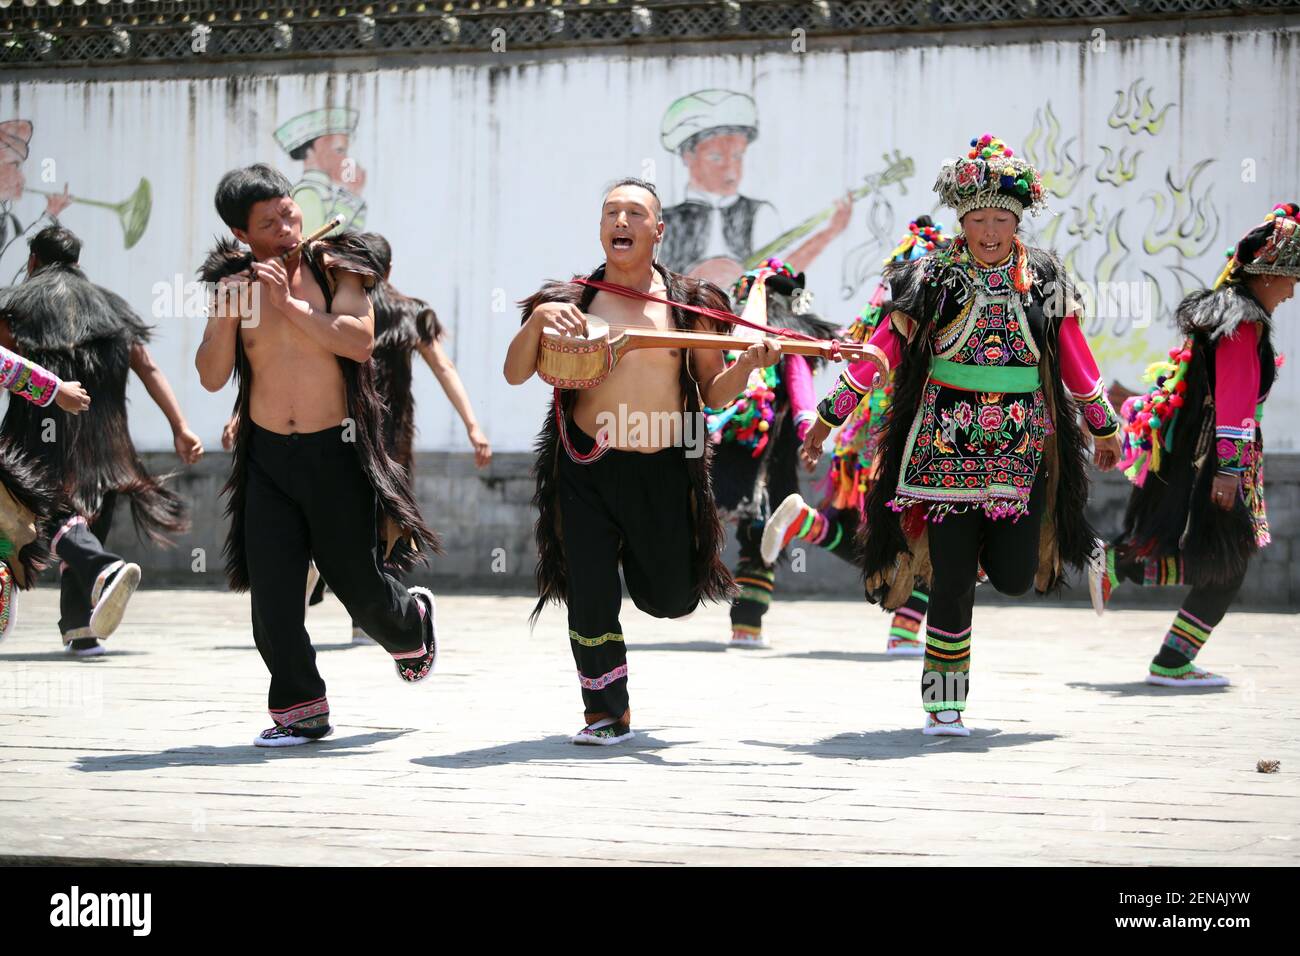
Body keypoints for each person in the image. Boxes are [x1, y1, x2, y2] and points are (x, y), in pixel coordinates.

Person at [803, 134, 1122, 736]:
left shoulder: (1047, 277)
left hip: (1019, 454)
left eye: (1003, 218)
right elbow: (883, 352)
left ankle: (1030, 547)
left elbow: (1075, 357)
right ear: (961, 218)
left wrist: (1104, 427)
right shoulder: (932, 276)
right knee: (951, 585)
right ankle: (944, 705)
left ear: (1018, 218)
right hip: (943, 452)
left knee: (1012, 576)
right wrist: (829, 416)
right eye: (979, 218)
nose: (991, 231)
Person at [503, 176, 780, 745]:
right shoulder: (569, 301)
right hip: (586, 467)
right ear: (601, 227)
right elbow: (514, 372)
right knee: (591, 593)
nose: (621, 222)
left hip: (662, 466)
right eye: (611, 212)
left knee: (671, 598)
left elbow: (715, 392)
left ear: (660, 229)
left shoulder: (689, 305)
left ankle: (653, 581)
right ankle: (606, 712)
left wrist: (749, 364)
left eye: (635, 213)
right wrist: (534, 324)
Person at [195, 164, 438, 747]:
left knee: (358, 583)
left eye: (288, 212)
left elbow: (357, 342)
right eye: (269, 222)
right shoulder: (233, 283)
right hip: (267, 457)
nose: (286, 226)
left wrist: (288, 305)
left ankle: (411, 624)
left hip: (338, 451)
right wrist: (227, 312)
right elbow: (210, 376)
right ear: (241, 234)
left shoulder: (339, 265)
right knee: (274, 595)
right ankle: (301, 708)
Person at [1096, 202, 1299, 687]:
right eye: (1291, 277)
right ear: (1266, 273)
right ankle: (1167, 655)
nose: (1293, 290)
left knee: (1220, 563)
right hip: (1218, 463)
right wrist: (1229, 470)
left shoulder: (1237, 318)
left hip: (1215, 458)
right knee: (1224, 566)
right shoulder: (1242, 323)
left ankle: (1129, 583)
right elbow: (1233, 398)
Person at [0, 225, 192, 657]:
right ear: (78, 262)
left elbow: (5, 360)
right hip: (104, 438)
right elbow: (147, 366)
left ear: (32, 261)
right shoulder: (111, 307)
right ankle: (80, 626)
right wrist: (180, 425)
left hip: (37, 431)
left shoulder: (14, 303)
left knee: (39, 512)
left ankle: (102, 570)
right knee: (89, 513)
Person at [763, 217, 952, 656]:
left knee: (886, 537)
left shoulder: (885, 319)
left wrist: (825, 426)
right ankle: (905, 632)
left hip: (865, 443)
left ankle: (807, 524)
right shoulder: (933, 315)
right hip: (915, 443)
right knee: (935, 534)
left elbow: (859, 376)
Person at [704, 257, 836, 648]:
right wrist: (809, 433)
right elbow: (801, 397)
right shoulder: (789, 339)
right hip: (764, 451)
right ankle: (746, 625)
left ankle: (744, 622)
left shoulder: (730, 337)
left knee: (752, 532)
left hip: (725, 445)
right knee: (761, 535)